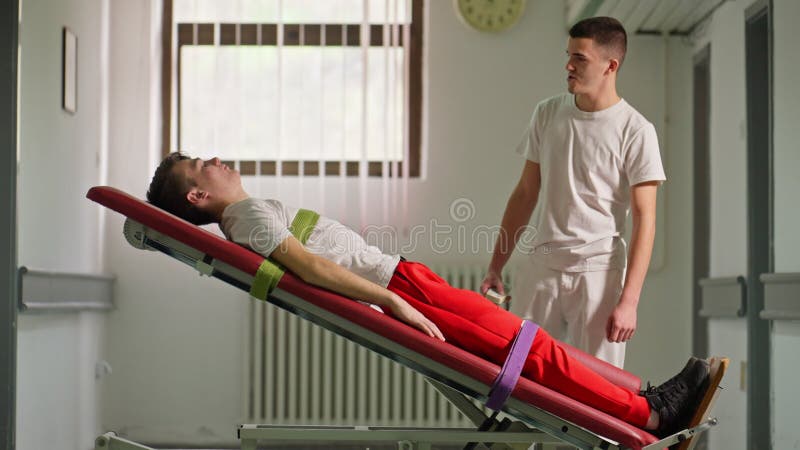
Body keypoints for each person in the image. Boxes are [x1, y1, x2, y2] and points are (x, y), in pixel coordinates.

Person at [145, 152, 711, 439]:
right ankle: (649, 414)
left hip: (403, 279)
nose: (215, 158)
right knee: (529, 352)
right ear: (197, 195)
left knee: (530, 346)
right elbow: (310, 266)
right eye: (201, 164)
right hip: (398, 288)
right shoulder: (245, 216)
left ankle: (648, 398)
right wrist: (392, 301)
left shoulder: (249, 211)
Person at [481, 17, 666, 368]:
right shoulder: (547, 113)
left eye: (579, 58)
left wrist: (629, 302)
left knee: (597, 388)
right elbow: (524, 194)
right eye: (568, 55)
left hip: (598, 274)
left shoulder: (636, 130)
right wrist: (496, 265)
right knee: (515, 373)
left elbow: (646, 220)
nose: (568, 65)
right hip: (542, 267)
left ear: (611, 66)